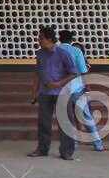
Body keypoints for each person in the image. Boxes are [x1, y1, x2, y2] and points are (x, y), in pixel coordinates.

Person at [29, 25, 77, 161]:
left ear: (49, 39)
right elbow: (38, 73)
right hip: (45, 92)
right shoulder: (40, 54)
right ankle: (42, 148)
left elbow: (73, 73)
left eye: (41, 37)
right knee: (43, 122)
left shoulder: (63, 53)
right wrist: (34, 91)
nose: (39, 40)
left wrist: (58, 83)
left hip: (61, 92)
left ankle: (67, 152)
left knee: (65, 122)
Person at [58, 29, 106, 152]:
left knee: (68, 117)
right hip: (77, 87)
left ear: (59, 38)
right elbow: (83, 71)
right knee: (86, 115)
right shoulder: (76, 51)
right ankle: (97, 143)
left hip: (60, 88)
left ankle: (73, 143)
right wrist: (87, 87)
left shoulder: (55, 51)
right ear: (71, 40)